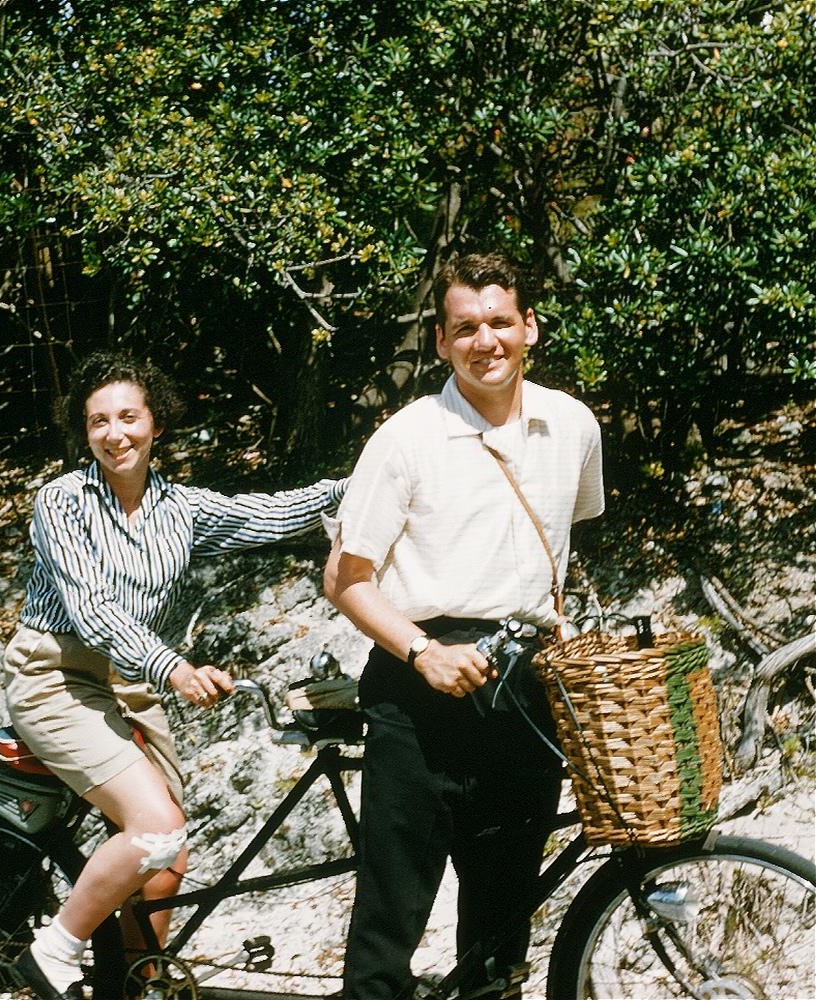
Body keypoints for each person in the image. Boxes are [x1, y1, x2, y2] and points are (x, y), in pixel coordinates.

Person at [4, 350, 346, 1000]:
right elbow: (92, 610)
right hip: (54, 674)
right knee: (155, 827)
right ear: (85, 433)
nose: (115, 434)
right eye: (99, 421)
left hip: (127, 681)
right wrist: (175, 668)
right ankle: (52, 952)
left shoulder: (178, 509)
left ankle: (136, 985)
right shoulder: (62, 502)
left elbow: (266, 514)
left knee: (168, 851)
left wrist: (358, 486)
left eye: (128, 417)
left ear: (155, 423)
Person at [323, 252, 603, 999]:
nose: (486, 342)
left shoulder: (572, 426)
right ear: (442, 342)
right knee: (391, 918)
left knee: (503, 919)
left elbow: (560, 538)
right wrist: (423, 651)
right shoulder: (405, 438)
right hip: (421, 690)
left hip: (526, 689)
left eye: (499, 322)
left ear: (529, 327)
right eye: (466, 328)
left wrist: (557, 625)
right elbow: (344, 579)